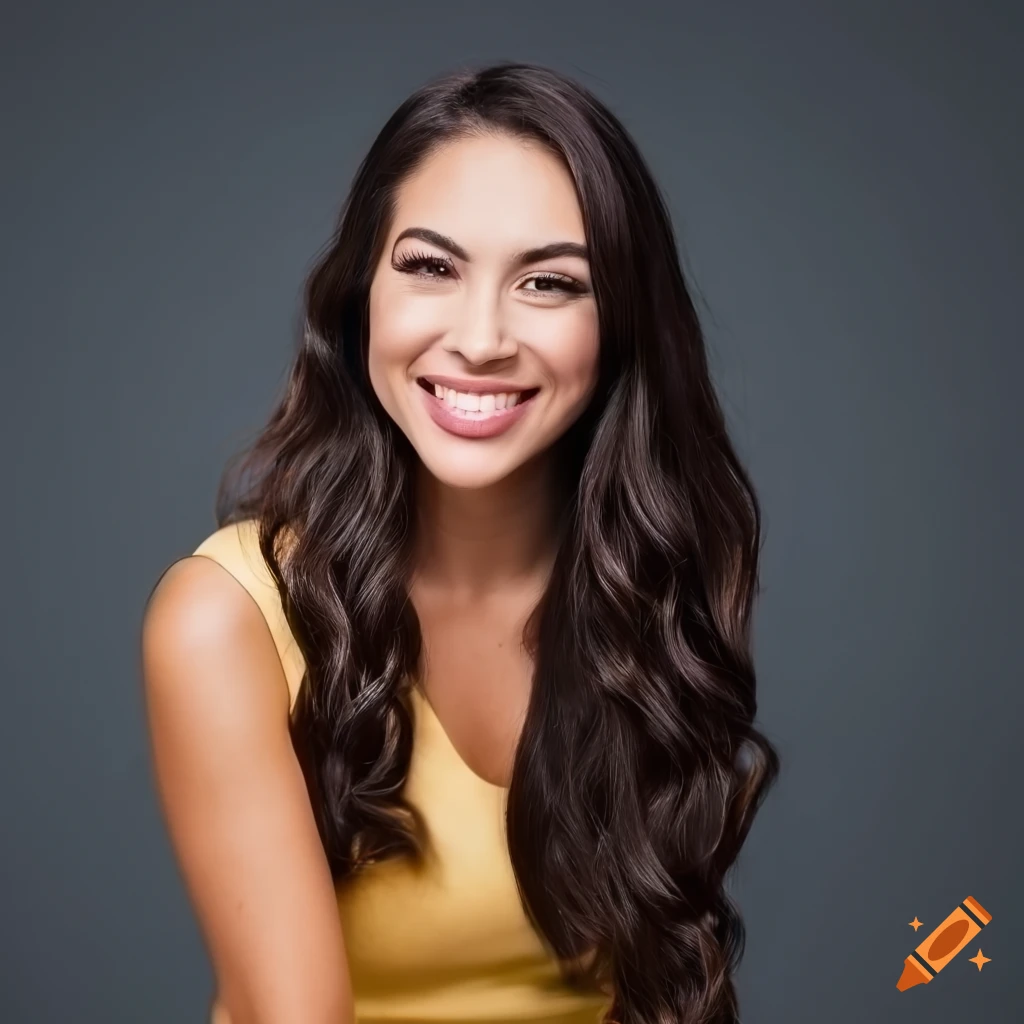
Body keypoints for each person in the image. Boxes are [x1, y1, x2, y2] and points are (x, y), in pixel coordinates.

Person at [141, 61, 779, 1024]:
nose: (481, 337)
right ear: (363, 294)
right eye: (431, 267)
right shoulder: (227, 620)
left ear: (620, 327)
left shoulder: (647, 587)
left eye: (550, 282)